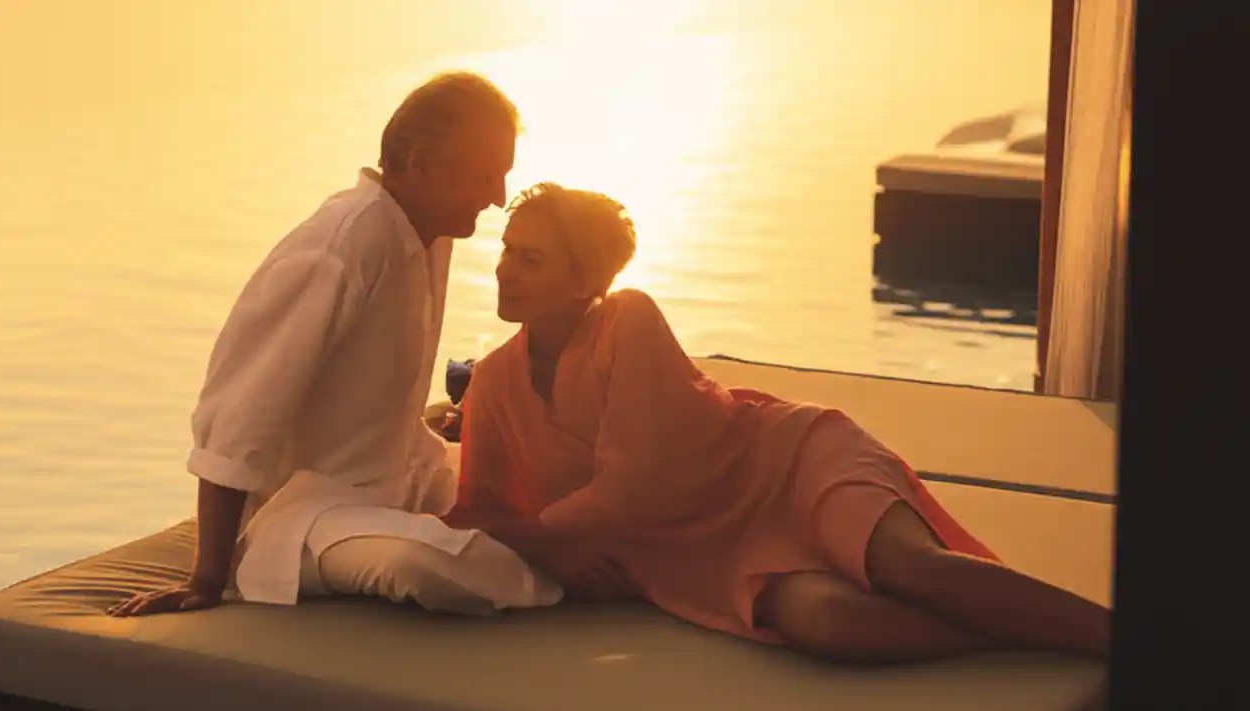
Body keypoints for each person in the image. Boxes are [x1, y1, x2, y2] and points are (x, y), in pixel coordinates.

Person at [443, 181, 1112, 661]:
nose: (505, 271)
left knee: (914, 570)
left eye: (530, 258)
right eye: (506, 251)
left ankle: (1123, 642)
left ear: (584, 276)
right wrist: (548, 546)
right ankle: (1005, 629)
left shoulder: (629, 319)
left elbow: (634, 486)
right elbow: (482, 513)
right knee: (832, 624)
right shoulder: (499, 380)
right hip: (695, 555)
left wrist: (549, 538)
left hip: (785, 464)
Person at [108, 73, 562, 619]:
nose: (498, 197)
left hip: (405, 477)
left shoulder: (427, 231)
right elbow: (234, 418)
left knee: (562, 490)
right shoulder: (339, 248)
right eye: (486, 176)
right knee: (433, 565)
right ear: (419, 164)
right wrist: (207, 578)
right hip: (310, 513)